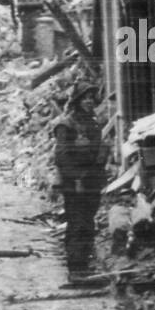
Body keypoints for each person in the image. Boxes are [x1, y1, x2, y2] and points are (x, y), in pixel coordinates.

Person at [52, 81, 107, 280]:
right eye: (85, 98)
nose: (89, 101)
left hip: (92, 181)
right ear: (76, 101)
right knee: (77, 223)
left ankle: (84, 264)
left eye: (92, 98)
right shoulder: (66, 125)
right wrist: (76, 178)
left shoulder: (92, 123)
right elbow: (61, 157)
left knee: (88, 223)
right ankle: (75, 269)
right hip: (74, 183)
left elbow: (98, 151)